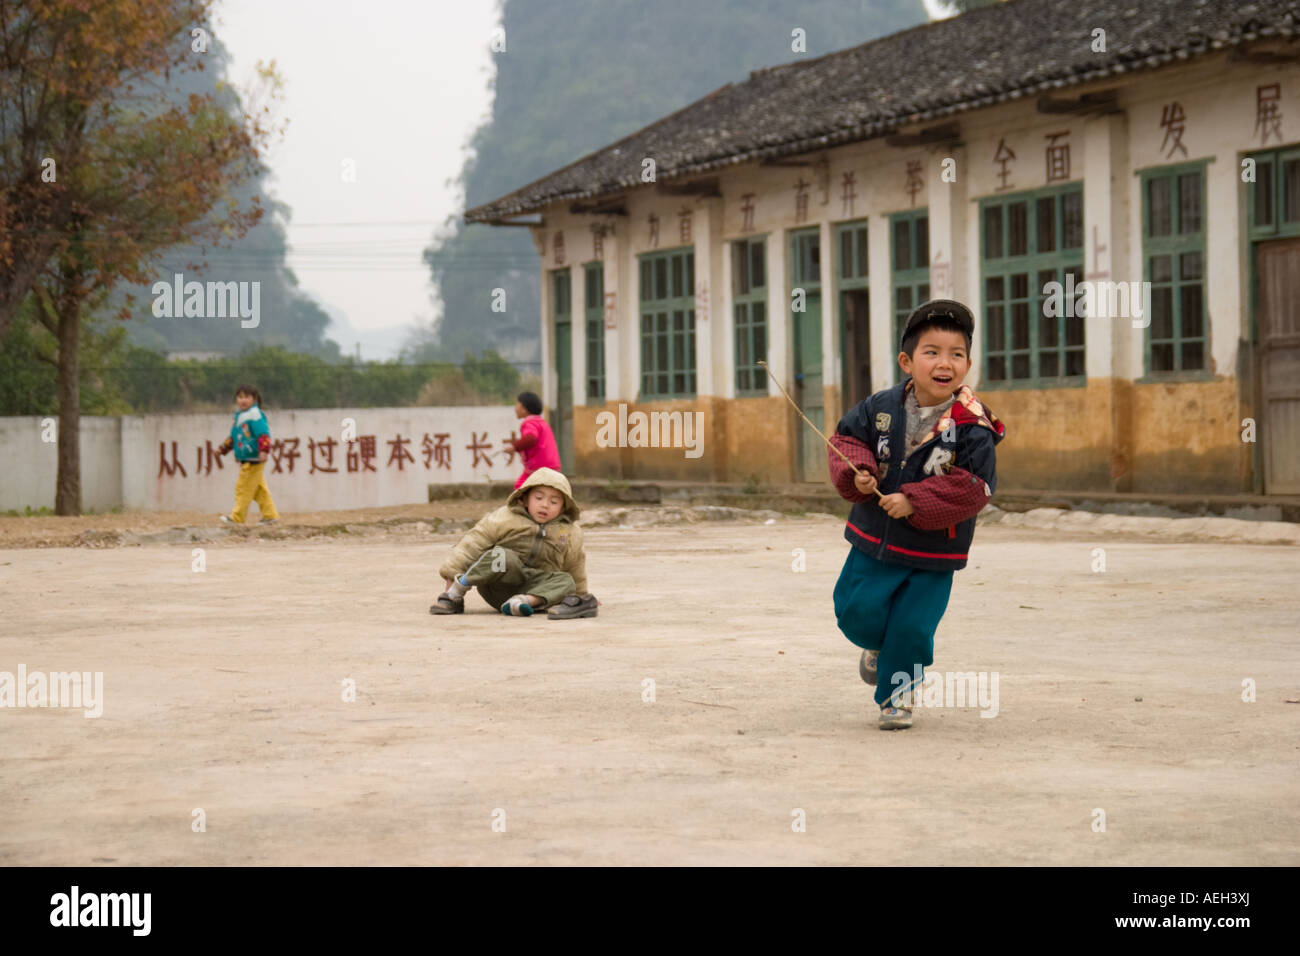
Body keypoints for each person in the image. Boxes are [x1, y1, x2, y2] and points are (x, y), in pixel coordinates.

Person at [827, 299, 1005, 730]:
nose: (945, 363)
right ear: (907, 361)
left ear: (967, 364)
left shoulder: (973, 426)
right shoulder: (879, 408)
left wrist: (914, 500)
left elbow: (975, 486)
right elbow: (846, 441)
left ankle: (897, 695)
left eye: (956, 354)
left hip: (934, 551)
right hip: (874, 539)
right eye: (932, 352)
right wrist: (862, 473)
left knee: (912, 626)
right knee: (854, 611)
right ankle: (876, 647)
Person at [429, 467, 597, 619]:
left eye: (554, 502)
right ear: (525, 498)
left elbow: (575, 564)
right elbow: (471, 545)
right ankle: (457, 593)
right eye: (538, 498)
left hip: (535, 589)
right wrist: (450, 585)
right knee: (503, 556)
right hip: (498, 586)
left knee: (567, 581)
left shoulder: (570, 532)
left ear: (563, 508)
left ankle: (522, 602)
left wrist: (580, 596)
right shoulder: (504, 518)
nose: (545, 505)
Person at [216, 385, 279, 526]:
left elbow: (263, 434)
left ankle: (237, 518)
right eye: (240, 397)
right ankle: (270, 516)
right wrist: (222, 449)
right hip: (247, 458)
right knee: (258, 489)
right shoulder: (240, 416)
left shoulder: (254, 415)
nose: (243, 400)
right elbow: (234, 437)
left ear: (254, 399)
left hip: (254, 457)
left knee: (243, 487)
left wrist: (263, 450)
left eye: (246, 397)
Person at [505, 391, 562, 489]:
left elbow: (531, 438)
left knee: (520, 487)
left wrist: (514, 447)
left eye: (517, 404)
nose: (515, 408)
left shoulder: (530, 423)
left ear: (524, 408)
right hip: (552, 466)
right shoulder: (541, 422)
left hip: (538, 467)